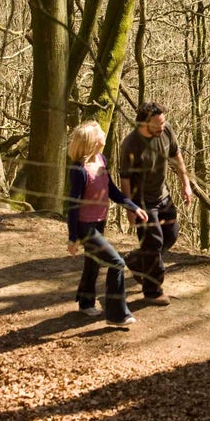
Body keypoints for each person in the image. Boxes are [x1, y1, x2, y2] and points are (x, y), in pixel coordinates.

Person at [66, 121, 148, 326]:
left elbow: (112, 191)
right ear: (93, 141)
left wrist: (133, 207)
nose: (104, 132)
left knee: (93, 263)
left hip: (100, 222)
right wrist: (73, 237)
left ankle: (85, 303)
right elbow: (73, 206)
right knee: (117, 263)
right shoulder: (79, 170)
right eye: (100, 132)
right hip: (86, 227)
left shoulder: (102, 160)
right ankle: (117, 314)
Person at [119, 101, 193, 305]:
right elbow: (124, 178)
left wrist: (185, 183)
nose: (163, 126)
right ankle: (153, 291)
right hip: (142, 203)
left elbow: (176, 155)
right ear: (144, 123)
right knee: (154, 244)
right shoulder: (131, 144)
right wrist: (129, 208)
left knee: (172, 234)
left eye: (163, 122)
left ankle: (136, 260)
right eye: (158, 124)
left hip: (163, 196)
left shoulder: (166, 131)